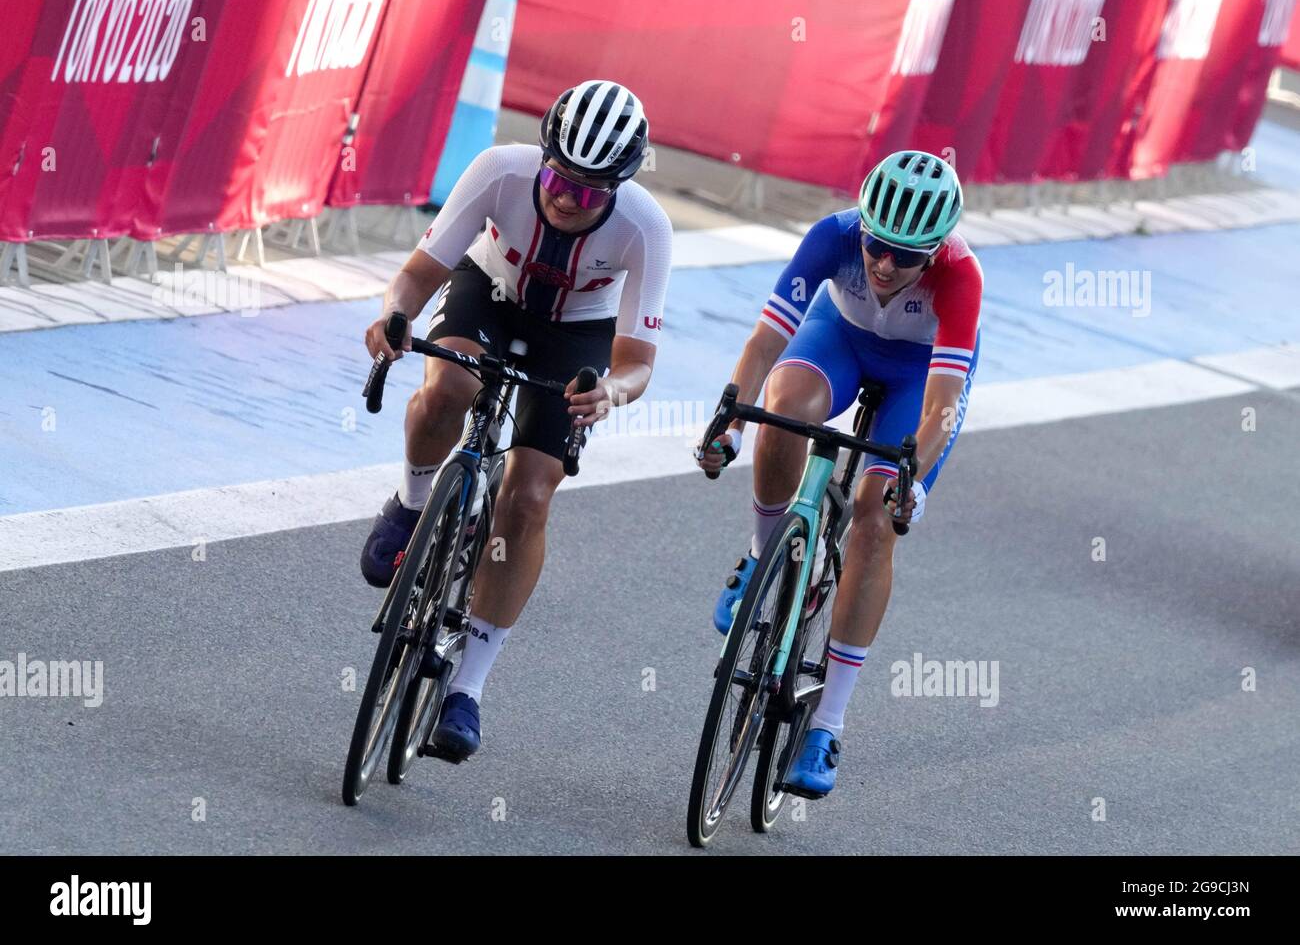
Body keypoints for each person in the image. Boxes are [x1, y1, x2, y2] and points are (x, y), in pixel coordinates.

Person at [361, 80, 671, 760]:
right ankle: (413, 504)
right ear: (543, 158)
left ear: (616, 189)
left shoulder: (646, 227)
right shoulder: (501, 170)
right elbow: (416, 277)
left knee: (528, 498)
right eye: (560, 178)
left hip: (577, 340)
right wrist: (396, 317)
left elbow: (638, 363)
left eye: (589, 193)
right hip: (488, 297)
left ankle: (467, 689)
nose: (566, 198)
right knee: (448, 387)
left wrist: (611, 394)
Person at [697, 151, 981, 798]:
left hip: (918, 372)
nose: (885, 264)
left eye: (905, 257)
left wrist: (911, 478)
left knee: (874, 514)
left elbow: (940, 407)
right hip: (841, 339)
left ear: (933, 252)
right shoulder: (832, 235)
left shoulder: (961, 276)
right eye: (877, 245)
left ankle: (827, 723)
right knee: (781, 411)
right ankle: (759, 556)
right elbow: (766, 343)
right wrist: (730, 422)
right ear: (864, 227)